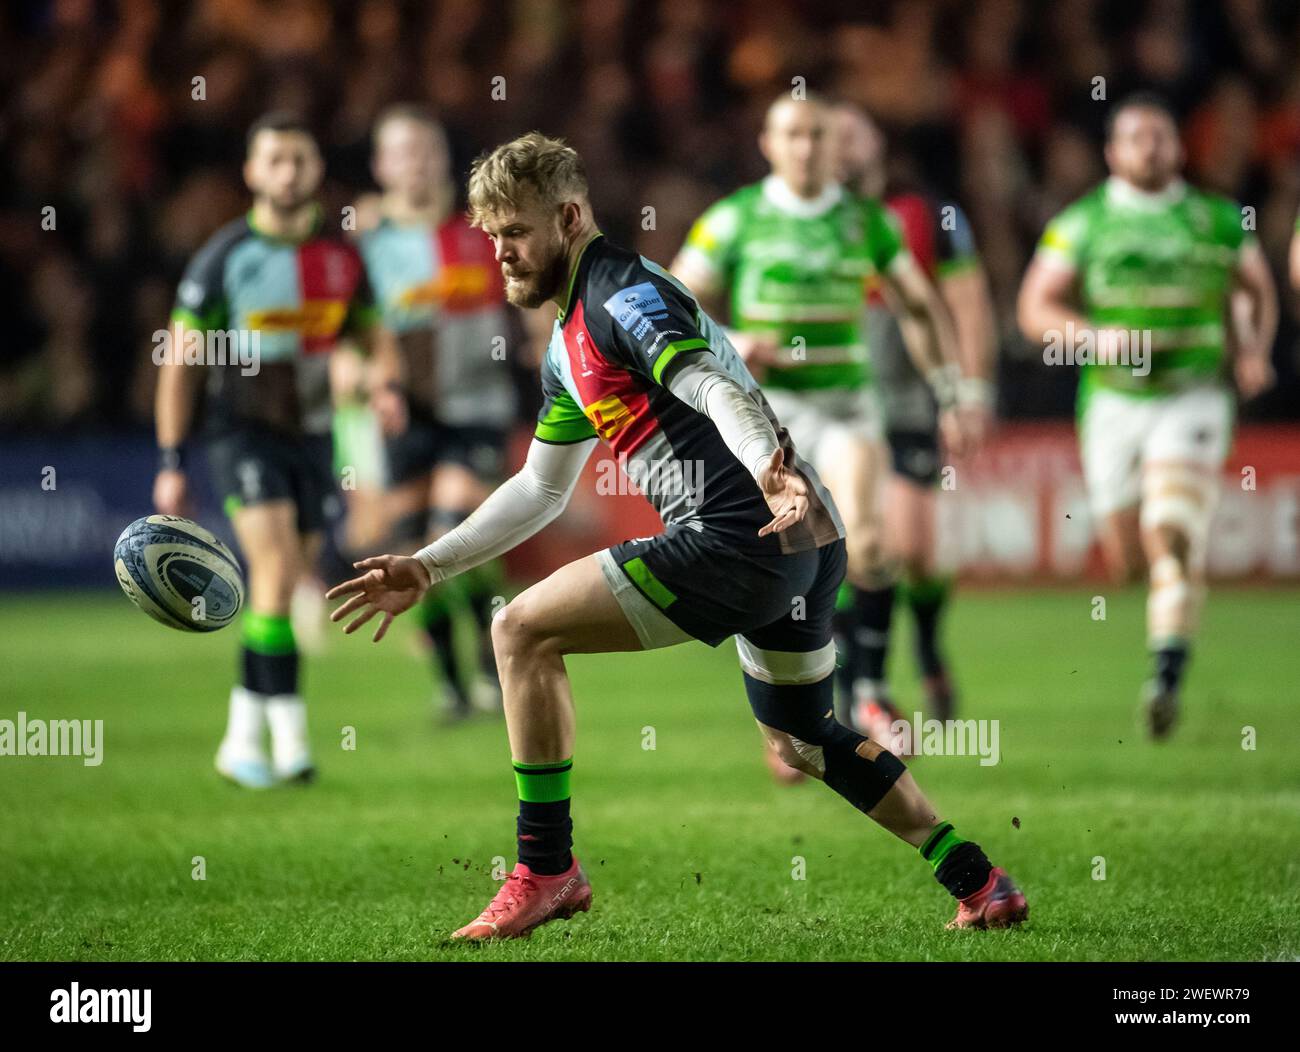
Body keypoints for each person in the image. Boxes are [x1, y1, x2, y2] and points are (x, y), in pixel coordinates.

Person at [327, 132, 1028, 939]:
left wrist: (768, 461)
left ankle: (546, 869)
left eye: (515, 233)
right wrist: (428, 564)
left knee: (518, 630)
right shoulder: (568, 338)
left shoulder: (620, 297)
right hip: (806, 535)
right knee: (803, 740)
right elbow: (540, 487)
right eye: (490, 236)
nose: (501, 254)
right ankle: (978, 880)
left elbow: (711, 386)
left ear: (569, 216)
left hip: (737, 532)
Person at [670, 94, 969, 764]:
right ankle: (792, 720)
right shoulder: (737, 219)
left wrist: (951, 391)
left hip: (844, 407)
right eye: (793, 135)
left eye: (818, 136)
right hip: (763, 417)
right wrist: (737, 336)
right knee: (779, 565)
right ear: (768, 144)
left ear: (839, 148)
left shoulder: (866, 222)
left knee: (864, 538)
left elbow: (918, 306)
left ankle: (869, 691)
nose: (806, 147)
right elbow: (675, 300)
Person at [1018, 93, 1277, 738]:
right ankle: (1159, 621)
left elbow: (1256, 289)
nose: (1151, 147)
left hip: (1192, 393)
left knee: (1173, 529)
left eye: (1160, 136)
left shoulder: (1217, 218)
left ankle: (1165, 674)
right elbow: (1034, 309)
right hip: (1113, 402)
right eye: (1136, 137)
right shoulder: (1083, 222)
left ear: (1179, 147)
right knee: (1129, 559)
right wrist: (1089, 336)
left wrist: (1253, 349)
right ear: (1113, 152)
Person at [155, 112, 378, 787]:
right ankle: (292, 741)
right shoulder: (224, 257)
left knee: (283, 583)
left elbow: (370, 336)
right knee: (278, 571)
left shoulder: (341, 258)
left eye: (300, 159)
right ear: (252, 173)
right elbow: (180, 361)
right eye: (274, 160)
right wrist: (171, 459)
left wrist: (378, 378)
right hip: (241, 432)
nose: (288, 172)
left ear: (316, 171)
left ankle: (241, 737)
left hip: (313, 438)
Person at [831, 102, 998, 724]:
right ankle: (857, 688)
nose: (842, 146)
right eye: (831, 135)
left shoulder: (931, 213)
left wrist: (969, 392)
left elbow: (968, 305)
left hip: (907, 399)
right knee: (858, 540)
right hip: (837, 404)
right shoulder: (804, 220)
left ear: (880, 140)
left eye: (854, 132)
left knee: (916, 550)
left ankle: (926, 643)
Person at [354, 104, 519, 720]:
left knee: (452, 537)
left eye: (425, 151)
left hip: (477, 405)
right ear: (380, 166)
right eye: (401, 153)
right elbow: (352, 333)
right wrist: (368, 380)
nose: (415, 164)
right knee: (412, 553)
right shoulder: (363, 243)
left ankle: (492, 659)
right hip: (404, 416)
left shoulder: (483, 227)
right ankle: (454, 683)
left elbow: (527, 296)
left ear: (444, 160)